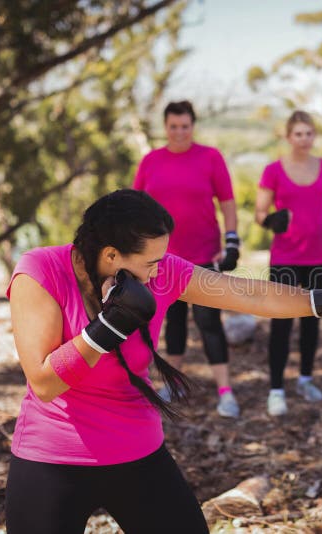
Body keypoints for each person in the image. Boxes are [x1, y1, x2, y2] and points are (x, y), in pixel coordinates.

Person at [5, 189, 322, 533]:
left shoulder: (164, 272)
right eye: (151, 261)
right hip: (52, 458)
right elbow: (43, 382)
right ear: (111, 256)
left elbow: (247, 294)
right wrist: (103, 331)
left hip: (136, 450)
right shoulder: (41, 272)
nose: (161, 268)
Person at [133, 100, 242, 418]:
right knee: (174, 322)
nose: (179, 132)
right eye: (173, 127)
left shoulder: (210, 157)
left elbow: (228, 201)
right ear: (165, 127)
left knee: (209, 322)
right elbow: (136, 206)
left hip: (204, 257)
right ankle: (174, 382)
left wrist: (232, 240)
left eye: (185, 126)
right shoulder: (151, 161)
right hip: (161, 261)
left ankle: (225, 391)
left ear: (192, 126)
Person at [255, 110, 322, 417]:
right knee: (281, 321)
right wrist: (271, 219)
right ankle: (276, 389)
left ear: (314, 136)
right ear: (288, 137)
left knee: (312, 319)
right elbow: (260, 214)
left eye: (308, 133)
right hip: (285, 258)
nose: (304, 139)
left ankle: (306, 379)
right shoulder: (273, 170)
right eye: (297, 134)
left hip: (319, 256)